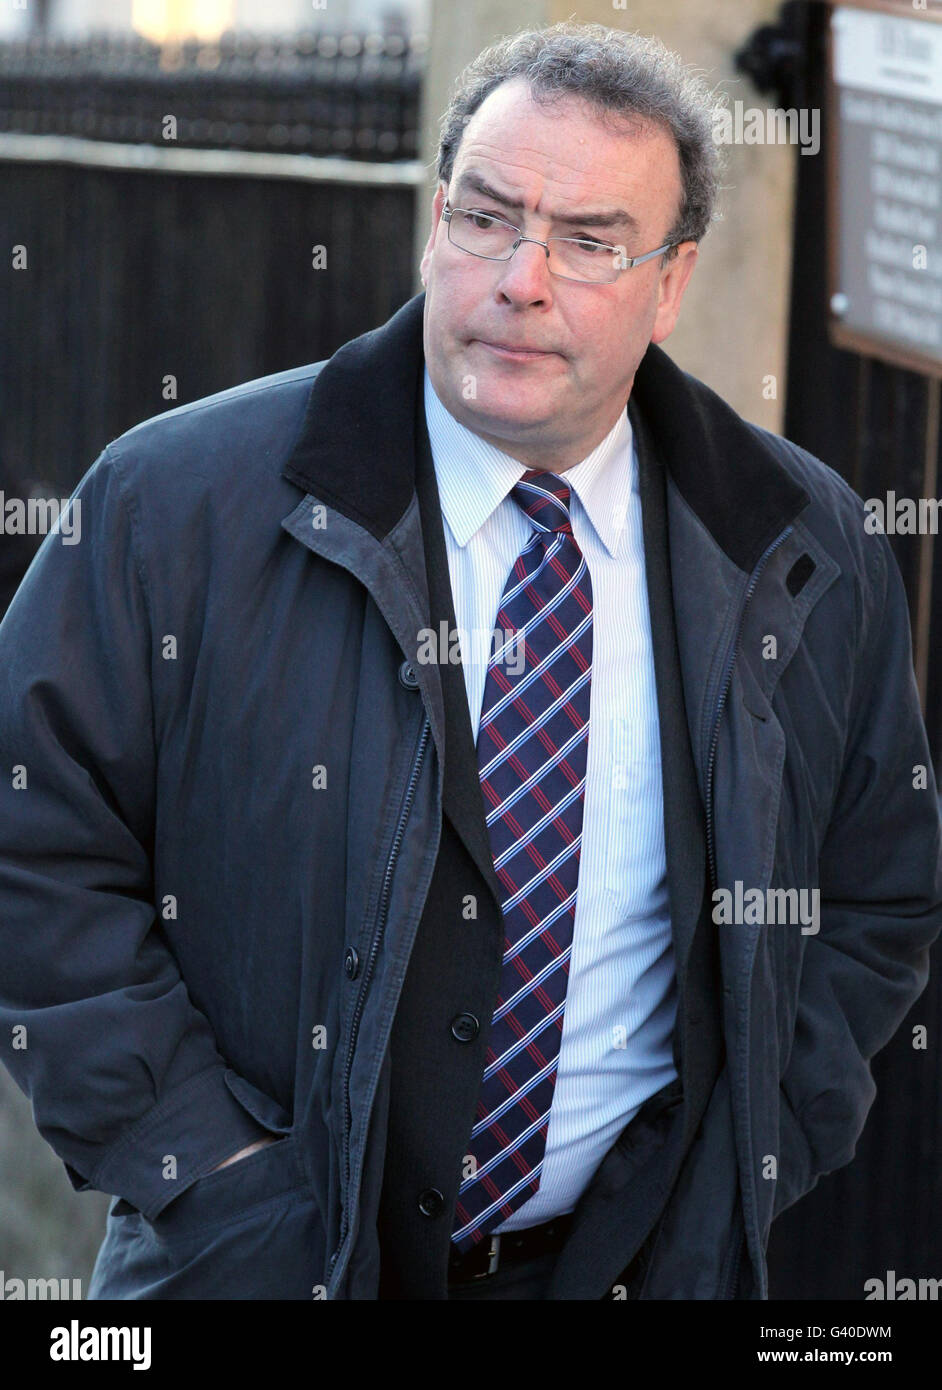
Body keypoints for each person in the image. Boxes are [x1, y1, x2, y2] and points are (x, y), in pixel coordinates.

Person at [0, 21, 940, 1302]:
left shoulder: (799, 541)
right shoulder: (175, 505)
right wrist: (209, 1177)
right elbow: (32, 839)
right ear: (435, 223)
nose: (522, 279)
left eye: (591, 242)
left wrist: (749, 1160)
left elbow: (878, 890)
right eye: (488, 219)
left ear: (672, 284)